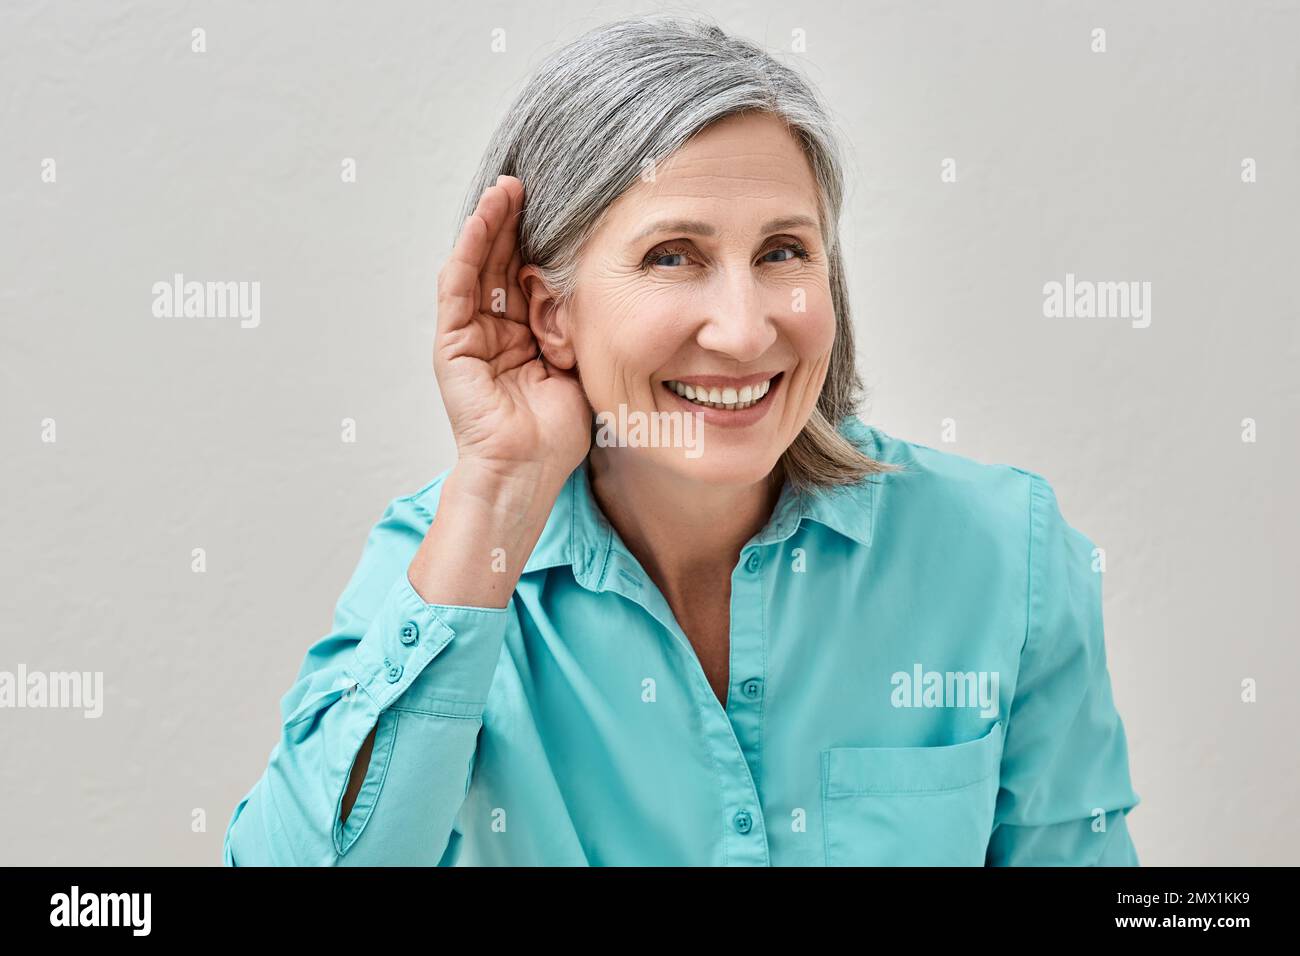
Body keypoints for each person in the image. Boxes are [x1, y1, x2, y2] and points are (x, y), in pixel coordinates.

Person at [223, 14, 1139, 866]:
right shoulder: (450, 562)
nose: (743, 332)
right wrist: (500, 492)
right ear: (552, 314)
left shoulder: (1000, 553)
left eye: (784, 251)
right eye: (674, 257)